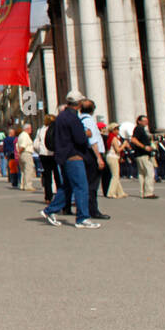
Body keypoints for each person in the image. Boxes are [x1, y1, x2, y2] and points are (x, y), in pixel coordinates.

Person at [39, 91, 99, 228]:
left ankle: (50, 210)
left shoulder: (61, 116)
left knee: (68, 186)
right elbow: (80, 139)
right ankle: (82, 218)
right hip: (74, 155)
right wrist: (87, 134)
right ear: (79, 103)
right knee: (81, 187)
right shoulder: (73, 118)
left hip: (63, 155)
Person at [78, 99, 110, 220]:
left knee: (89, 183)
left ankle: (88, 209)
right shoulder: (89, 121)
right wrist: (99, 158)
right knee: (92, 184)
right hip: (93, 154)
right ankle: (93, 210)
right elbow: (92, 141)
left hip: (89, 154)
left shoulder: (82, 120)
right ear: (92, 110)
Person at [105, 124, 127, 198]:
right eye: (116, 129)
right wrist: (124, 145)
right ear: (113, 130)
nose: (118, 131)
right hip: (113, 157)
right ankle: (111, 193)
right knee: (115, 175)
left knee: (115, 175)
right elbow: (118, 150)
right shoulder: (114, 138)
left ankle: (120, 192)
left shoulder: (112, 137)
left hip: (112, 157)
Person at [17, 122, 37, 192]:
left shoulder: (20, 135)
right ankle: (28, 185)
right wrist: (19, 152)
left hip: (22, 154)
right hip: (26, 153)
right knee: (28, 170)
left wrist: (18, 153)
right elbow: (23, 146)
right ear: (27, 129)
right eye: (30, 128)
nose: (31, 130)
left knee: (23, 170)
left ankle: (22, 184)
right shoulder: (25, 135)